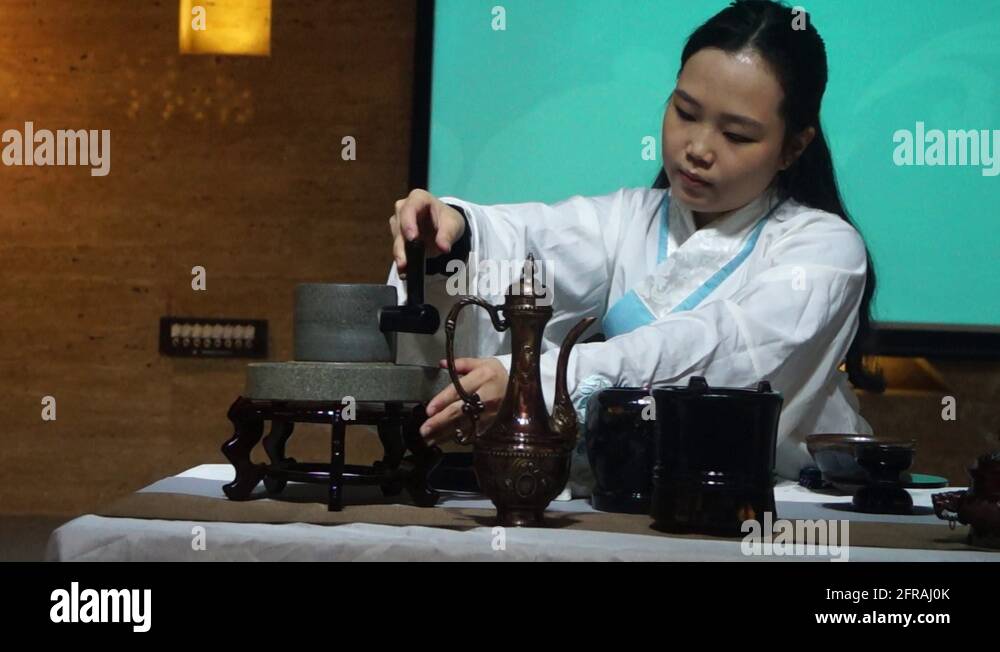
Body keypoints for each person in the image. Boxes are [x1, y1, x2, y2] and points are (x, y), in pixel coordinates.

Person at [385, 0, 884, 487]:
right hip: (621, 498)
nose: (698, 149)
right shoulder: (628, 219)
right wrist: (456, 235)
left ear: (793, 146)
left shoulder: (825, 251)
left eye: (736, 135)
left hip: (772, 508)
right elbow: (529, 240)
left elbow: (723, 349)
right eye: (685, 112)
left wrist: (533, 379)